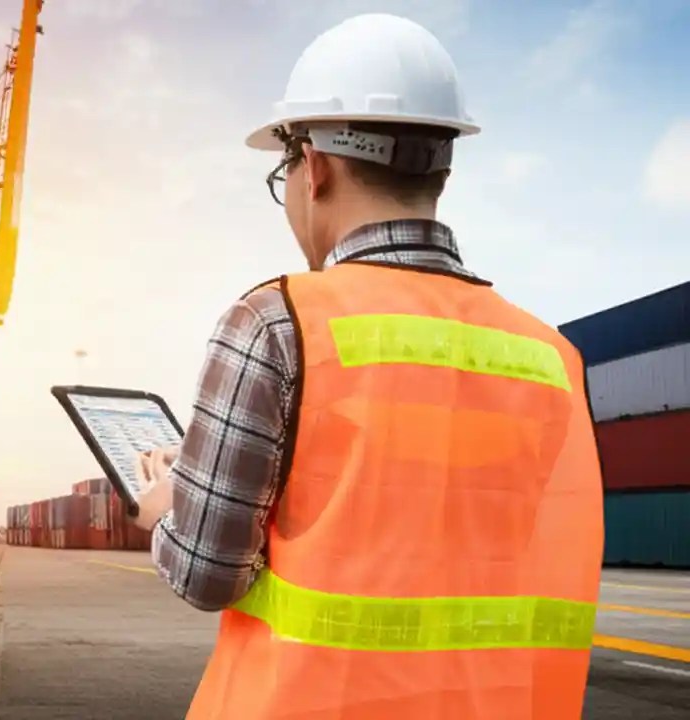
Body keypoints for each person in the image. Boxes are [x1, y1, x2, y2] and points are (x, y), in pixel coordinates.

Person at [131, 13, 605, 720]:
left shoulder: (274, 322)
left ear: (313, 168)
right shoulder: (549, 355)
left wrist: (167, 507)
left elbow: (207, 574)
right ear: (439, 167)